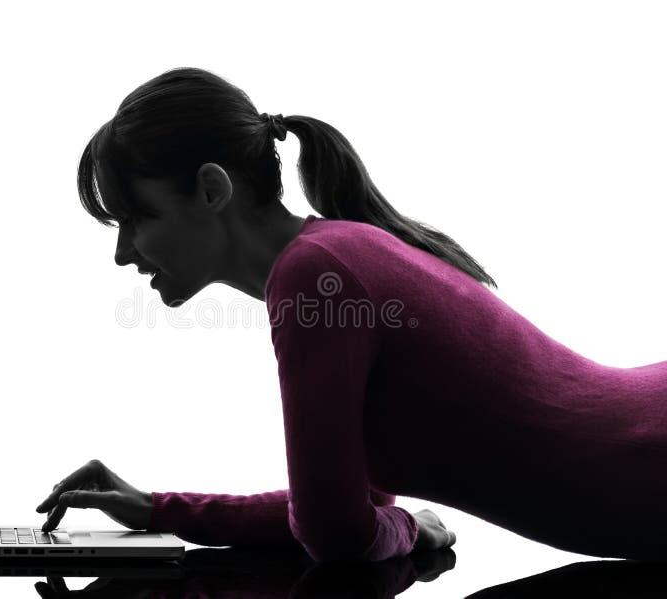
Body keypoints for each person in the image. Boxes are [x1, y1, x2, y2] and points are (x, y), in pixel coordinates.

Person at [35, 67, 667, 563]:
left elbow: (335, 531)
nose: (123, 253)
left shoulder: (317, 277)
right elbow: (340, 509)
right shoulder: (332, 256)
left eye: (137, 218)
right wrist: (156, 510)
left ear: (211, 189)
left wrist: (410, 532)